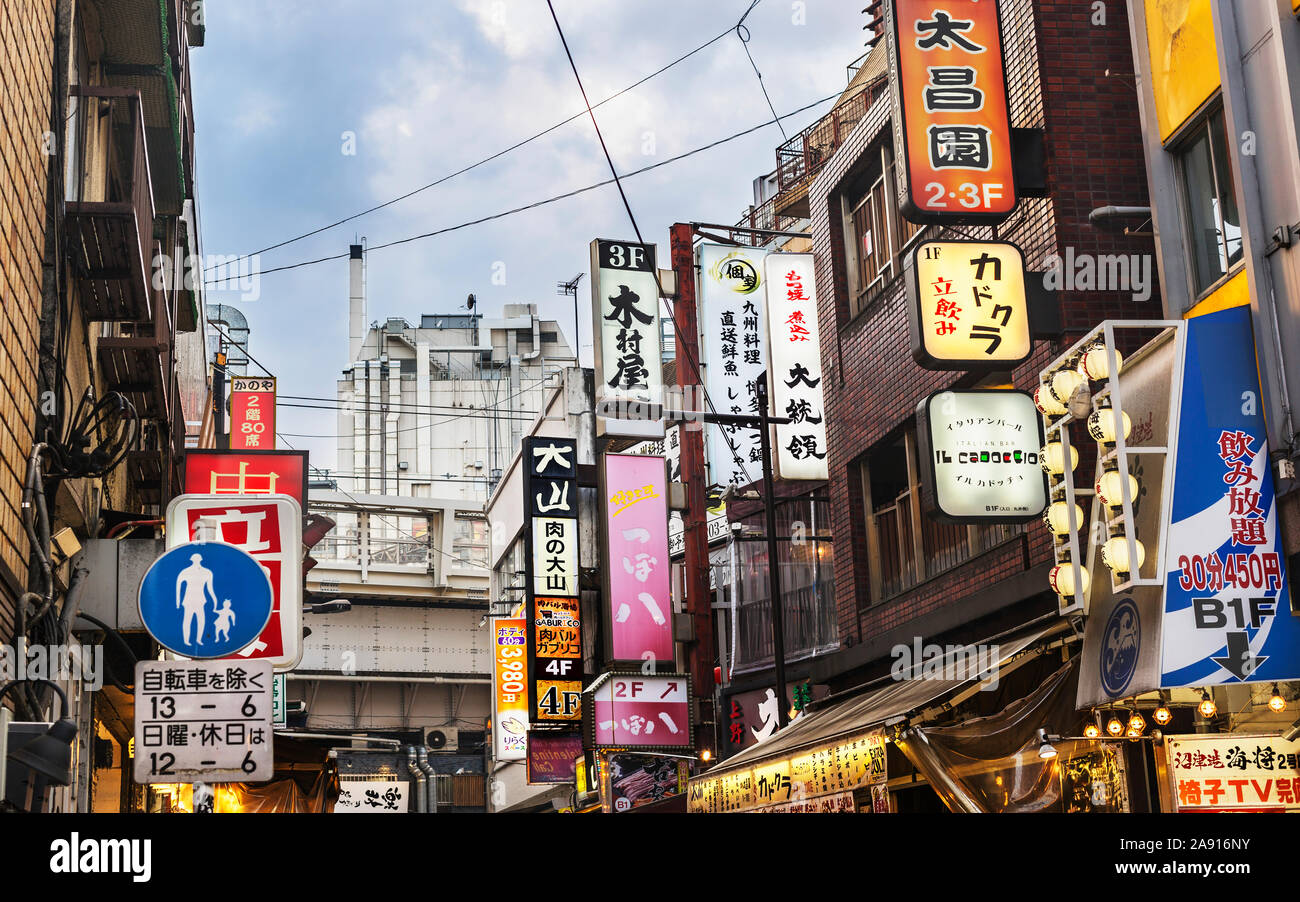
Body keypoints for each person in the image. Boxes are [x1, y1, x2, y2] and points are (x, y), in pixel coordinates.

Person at [175, 553, 218, 646]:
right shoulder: (186, 571)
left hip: (200, 600)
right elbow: (178, 586)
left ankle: (198, 640)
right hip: (188, 600)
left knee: (200, 620)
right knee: (188, 620)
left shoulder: (207, 572)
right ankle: (186, 640)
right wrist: (178, 602)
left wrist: (215, 601)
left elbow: (210, 589)